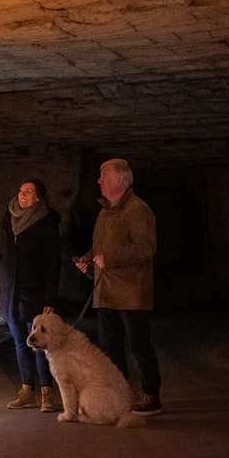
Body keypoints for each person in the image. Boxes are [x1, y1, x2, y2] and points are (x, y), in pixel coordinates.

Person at [74, 158, 163, 416]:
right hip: (105, 293)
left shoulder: (138, 209)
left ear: (119, 180)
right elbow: (99, 247)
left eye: (103, 176)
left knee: (138, 345)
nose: (99, 181)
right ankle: (121, 394)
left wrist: (109, 258)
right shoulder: (105, 211)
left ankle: (151, 395)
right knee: (110, 347)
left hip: (130, 294)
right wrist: (88, 259)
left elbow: (146, 248)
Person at [0, 178, 62, 413]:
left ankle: (46, 393)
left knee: (39, 344)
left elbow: (54, 262)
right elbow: (0, 255)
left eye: (28, 191)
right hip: (11, 289)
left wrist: (50, 297)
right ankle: (27, 390)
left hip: (35, 291)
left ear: (38, 198)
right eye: (21, 190)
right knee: (20, 342)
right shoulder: (8, 219)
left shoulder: (46, 222)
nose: (22, 194)